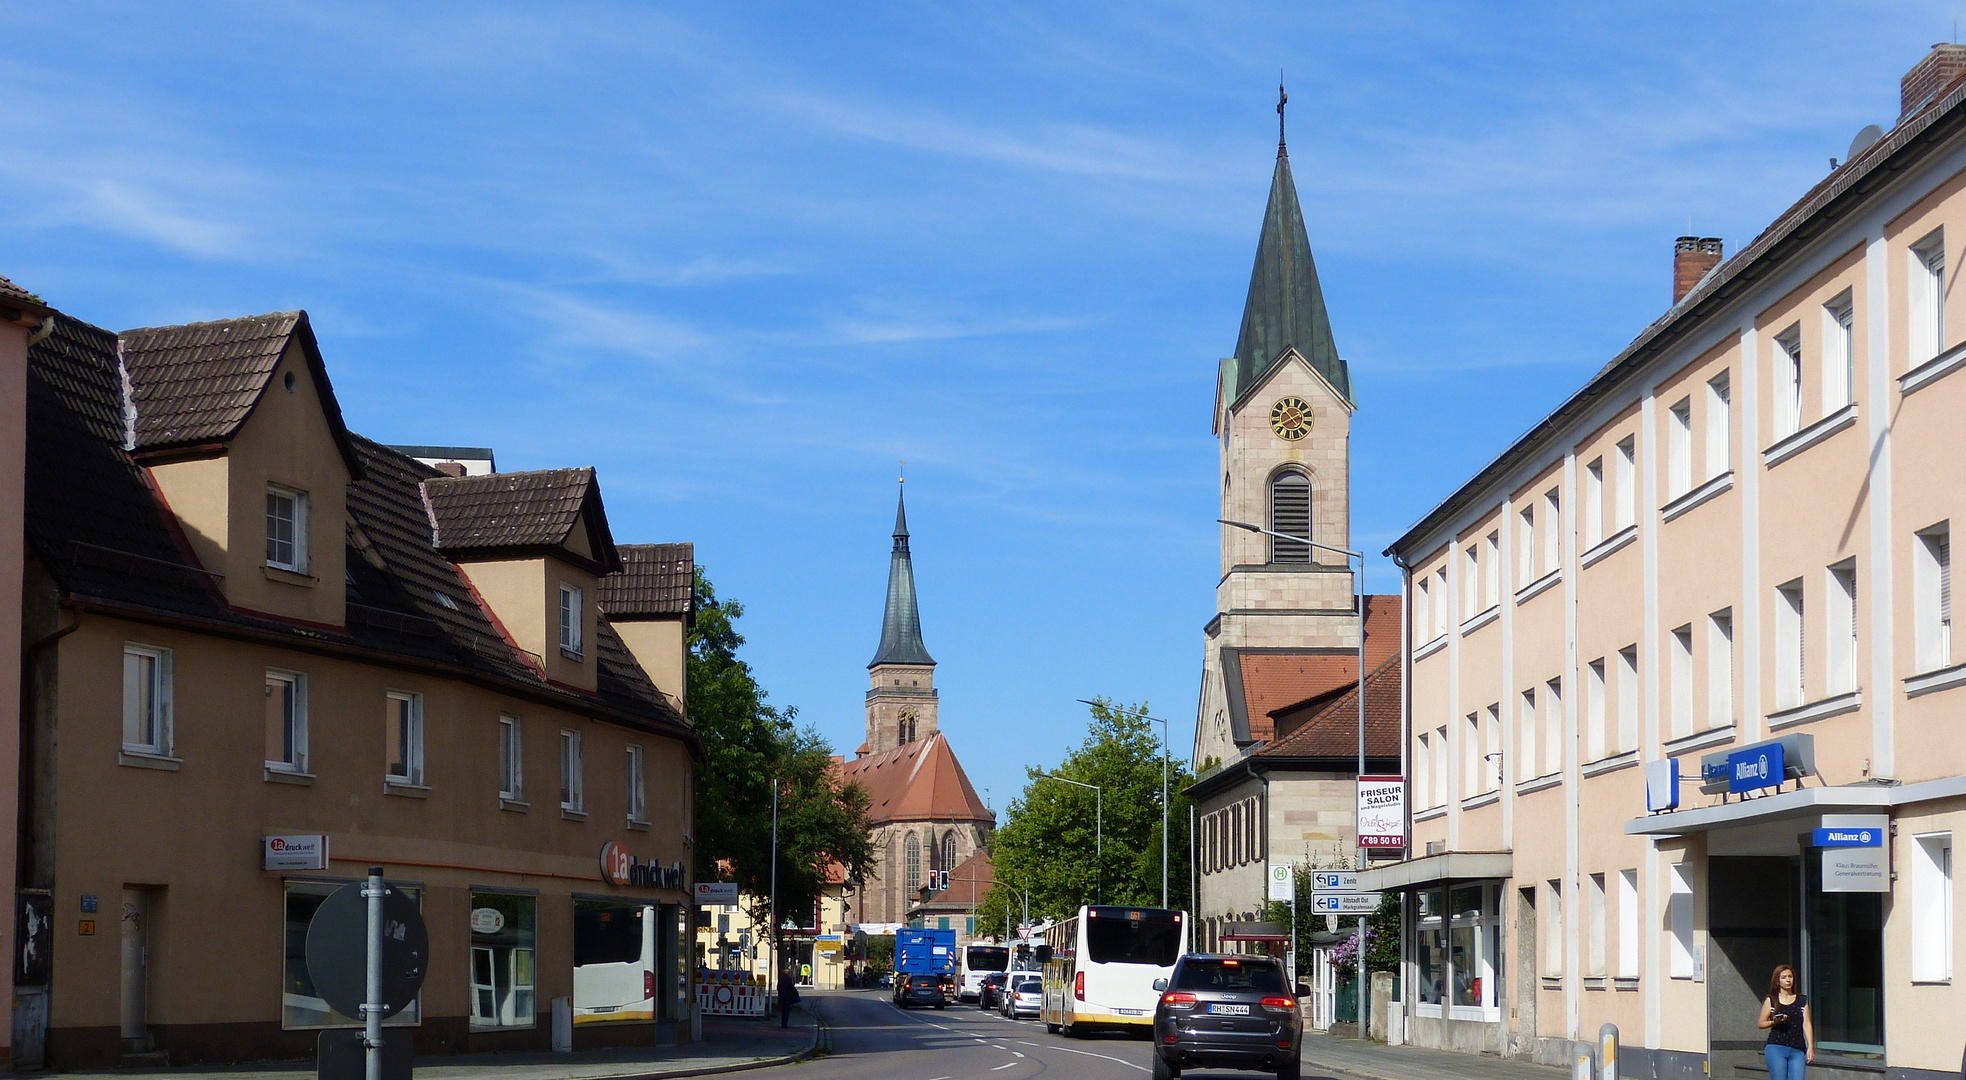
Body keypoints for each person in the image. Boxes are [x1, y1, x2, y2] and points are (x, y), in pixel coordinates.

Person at [1757, 963, 1813, 1079]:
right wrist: (1774, 1022)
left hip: (1797, 1048)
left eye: (1790, 976)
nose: (1788, 980)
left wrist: (1810, 1047)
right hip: (1776, 1047)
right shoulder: (1772, 1000)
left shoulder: (1802, 1000)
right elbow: (1761, 1023)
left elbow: (1806, 1024)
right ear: (1778, 981)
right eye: (1784, 977)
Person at [778, 962, 798, 1028]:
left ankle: (782, 1023)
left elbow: (778, 987)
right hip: (787, 997)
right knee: (786, 1011)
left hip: (781, 997)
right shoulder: (789, 980)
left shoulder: (780, 979)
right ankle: (784, 1024)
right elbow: (791, 988)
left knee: (782, 1011)